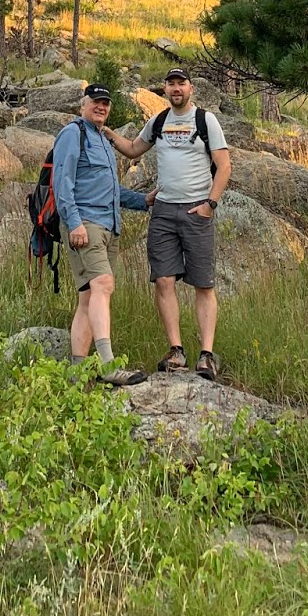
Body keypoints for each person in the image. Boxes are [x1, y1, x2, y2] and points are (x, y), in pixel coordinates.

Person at [104, 67, 231, 380]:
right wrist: (106, 133)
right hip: (163, 211)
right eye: (171, 84)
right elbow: (134, 148)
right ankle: (176, 351)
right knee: (163, 280)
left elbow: (224, 165)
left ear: (190, 89)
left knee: (203, 283)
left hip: (196, 211)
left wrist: (209, 205)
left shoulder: (205, 120)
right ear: (165, 89)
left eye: (181, 84)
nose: (176, 89)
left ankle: (206, 355)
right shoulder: (158, 121)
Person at [52, 83, 152, 387]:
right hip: (85, 224)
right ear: (83, 104)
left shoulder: (103, 140)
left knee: (87, 297)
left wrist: (143, 201)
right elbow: (62, 181)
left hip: (109, 225)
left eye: (106, 103)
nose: (101, 106)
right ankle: (108, 366)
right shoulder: (74, 133)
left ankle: (77, 375)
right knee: (103, 284)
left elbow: (110, 191)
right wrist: (74, 222)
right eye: (96, 101)